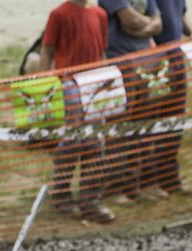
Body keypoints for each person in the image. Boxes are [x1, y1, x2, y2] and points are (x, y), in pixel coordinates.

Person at [42, 0, 116, 224]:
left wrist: (106, 82)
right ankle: (64, 193)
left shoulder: (100, 14)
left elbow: (101, 52)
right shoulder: (59, 14)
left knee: (95, 140)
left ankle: (89, 199)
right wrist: (42, 85)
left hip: (94, 84)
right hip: (70, 83)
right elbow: (47, 50)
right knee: (76, 138)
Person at [101, 0, 164, 200]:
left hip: (146, 63)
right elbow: (128, 19)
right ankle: (114, 188)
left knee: (143, 126)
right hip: (120, 64)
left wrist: (143, 27)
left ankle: (135, 184)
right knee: (119, 129)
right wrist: (148, 25)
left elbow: (158, 25)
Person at [142, 0, 192, 196]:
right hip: (155, 62)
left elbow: (183, 20)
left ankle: (169, 178)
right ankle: (148, 180)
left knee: (175, 121)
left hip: (177, 57)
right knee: (152, 121)